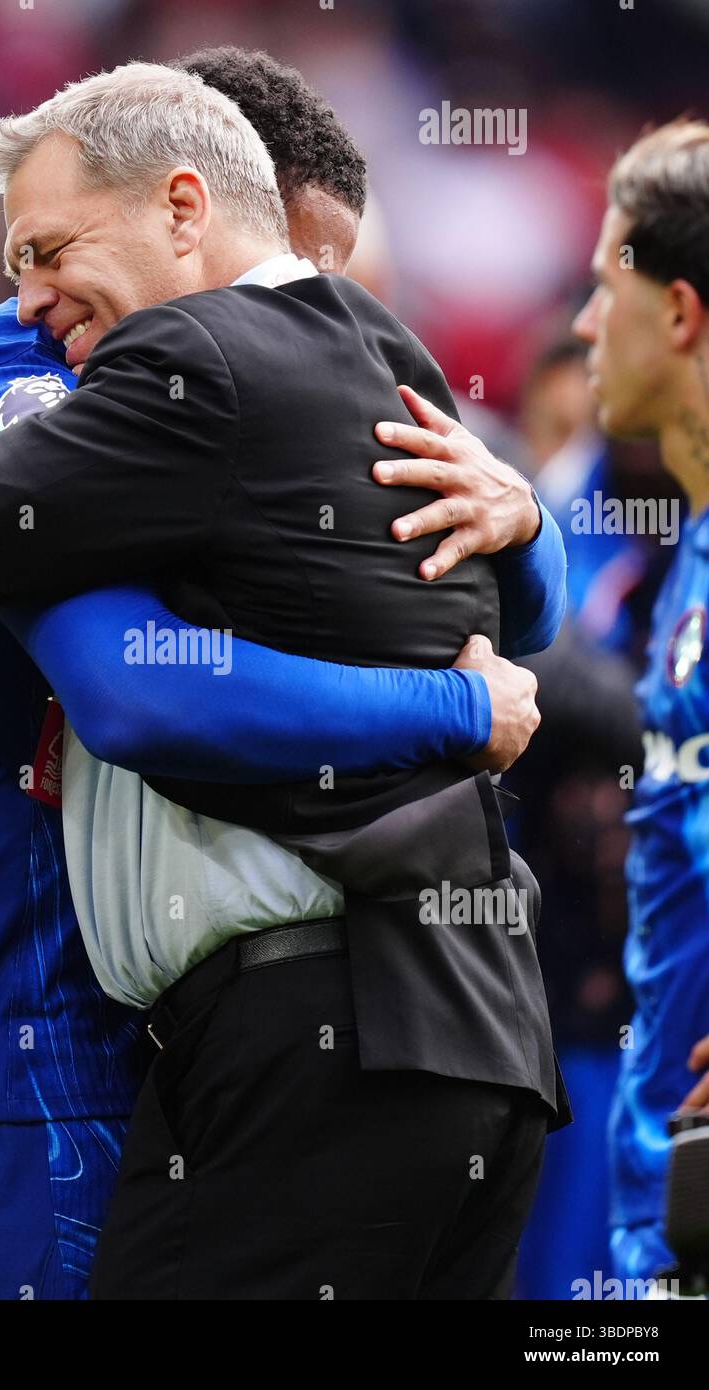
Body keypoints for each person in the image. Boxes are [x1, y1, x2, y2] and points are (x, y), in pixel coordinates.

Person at [0, 61, 568, 1299]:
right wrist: (482, 656)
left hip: (257, 1039)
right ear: (193, 201)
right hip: (18, 1057)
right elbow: (132, 682)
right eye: (302, 263)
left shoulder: (233, 361)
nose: (305, 304)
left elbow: (493, 590)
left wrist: (527, 529)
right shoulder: (56, 386)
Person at [571, 119, 709, 1285]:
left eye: (600, 288)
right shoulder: (684, 568)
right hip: (659, 1203)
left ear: (678, 313)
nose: (580, 327)